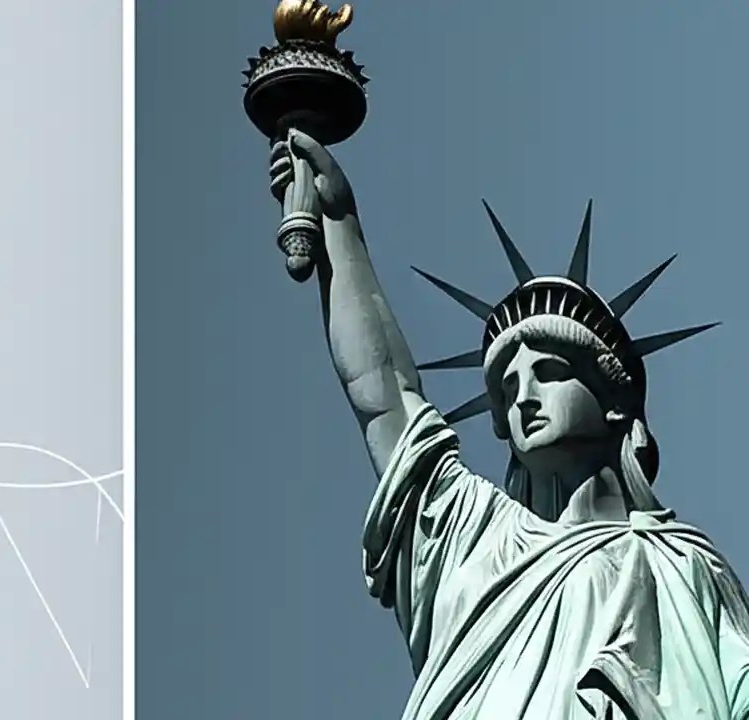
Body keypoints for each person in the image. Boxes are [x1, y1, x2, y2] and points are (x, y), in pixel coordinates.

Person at [269, 127, 749, 719]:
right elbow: (385, 393)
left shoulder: (681, 566)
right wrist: (340, 227)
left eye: (548, 371)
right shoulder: (474, 543)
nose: (525, 398)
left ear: (615, 401)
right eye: (508, 387)